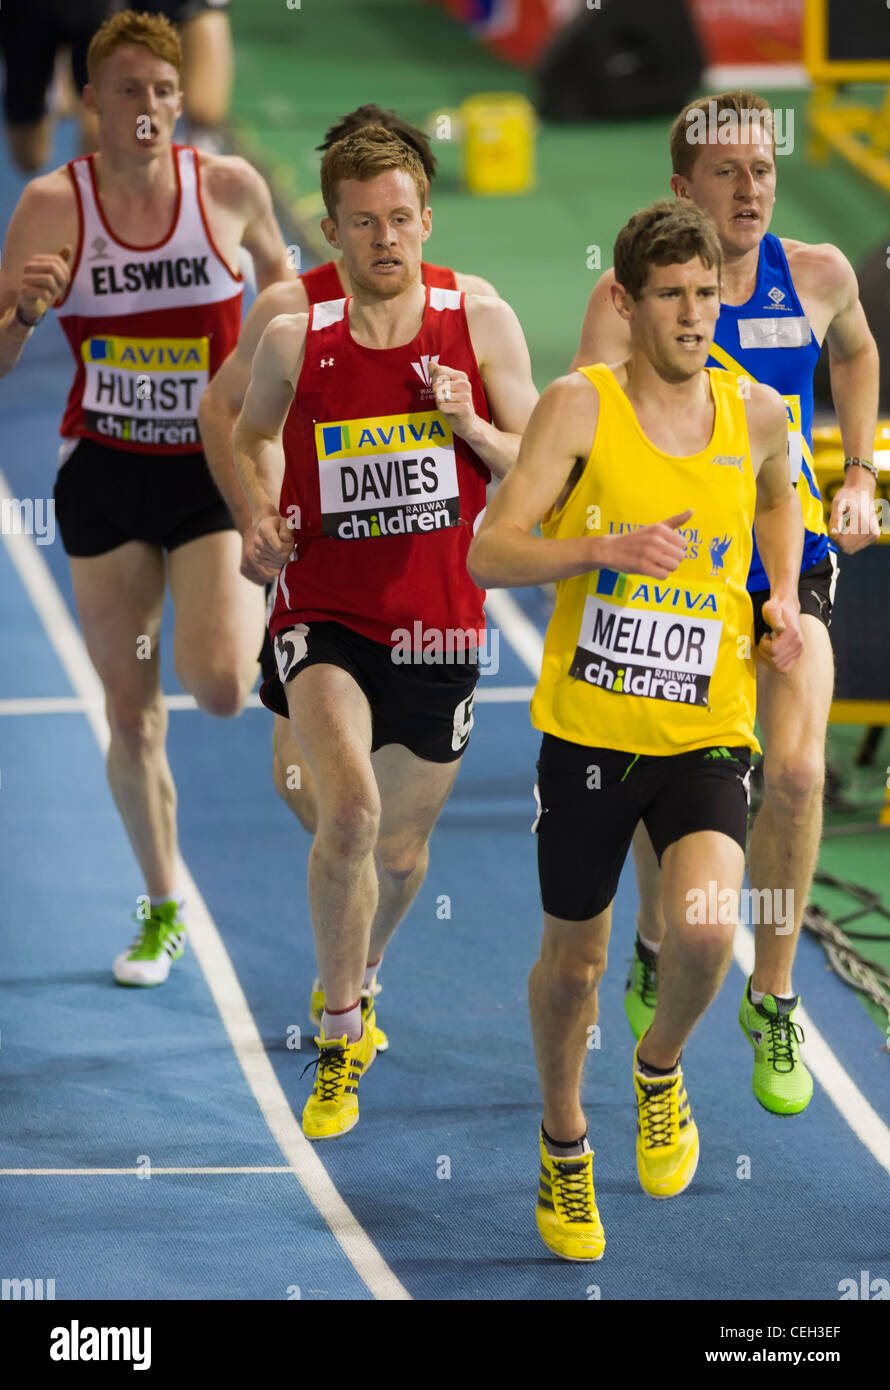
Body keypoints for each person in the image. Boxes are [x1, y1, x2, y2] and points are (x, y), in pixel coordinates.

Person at [468, 199, 804, 1260]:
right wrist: (596, 548)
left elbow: (774, 498)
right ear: (625, 298)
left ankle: (656, 1070)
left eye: (706, 293)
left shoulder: (751, 413)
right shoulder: (577, 408)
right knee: (572, 966)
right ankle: (564, 1143)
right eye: (671, 295)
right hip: (588, 737)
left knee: (707, 932)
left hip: (705, 729)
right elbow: (490, 551)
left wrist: (783, 593)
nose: (694, 314)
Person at [572, 90, 880, 1116]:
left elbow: (853, 348)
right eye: (724, 172)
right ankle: (656, 943)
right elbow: (584, 425)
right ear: (680, 189)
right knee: (685, 802)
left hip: (783, 576)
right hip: (676, 588)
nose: (748, 188)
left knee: (792, 771)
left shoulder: (821, 273)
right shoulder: (628, 301)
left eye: (760, 169)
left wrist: (853, 474)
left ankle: (774, 993)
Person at [233, 126, 537, 1138]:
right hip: (326, 614)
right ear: (329, 230)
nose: (383, 238)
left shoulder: (477, 318)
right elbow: (247, 433)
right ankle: (333, 1035)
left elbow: (537, 465)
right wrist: (259, 516)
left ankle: (362, 973)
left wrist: (471, 430)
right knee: (349, 817)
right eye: (361, 223)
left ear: (426, 221)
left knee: (398, 853)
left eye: (399, 218)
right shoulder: (293, 332)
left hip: (440, 630)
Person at [0, 9, 293, 985]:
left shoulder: (229, 190)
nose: (150, 111)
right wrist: (24, 311)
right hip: (105, 477)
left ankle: (297, 658)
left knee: (217, 685)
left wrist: (278, 436)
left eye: (165, 93)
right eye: (128, 91)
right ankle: (162, 905)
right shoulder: (51, 205)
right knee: (131, 715)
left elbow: (295, 310)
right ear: (89, 100)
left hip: (208, 473)